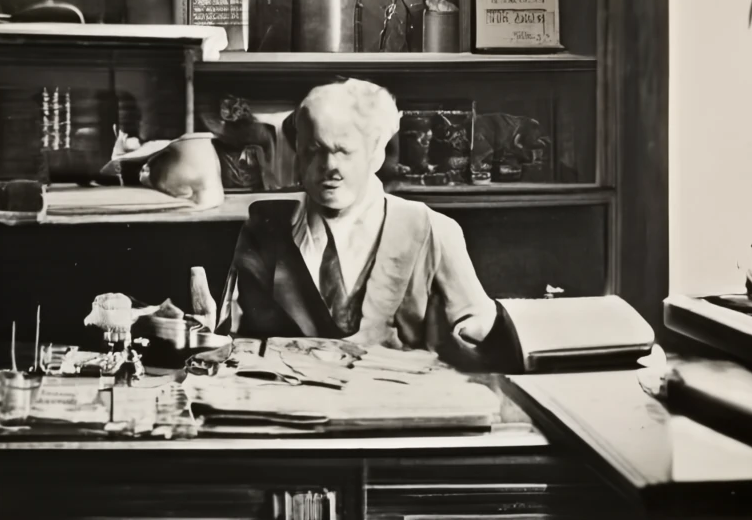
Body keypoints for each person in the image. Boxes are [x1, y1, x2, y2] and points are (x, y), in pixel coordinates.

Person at [217, 79, 523, 372]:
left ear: (376, 153)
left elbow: (481, 336)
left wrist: (478, 327)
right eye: (314, 150)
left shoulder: (431, 229)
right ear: (298, 150)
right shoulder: (265, 228)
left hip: (396, 409)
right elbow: (233, 336)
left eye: (344, 152)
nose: (329, 168)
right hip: (296, 409)